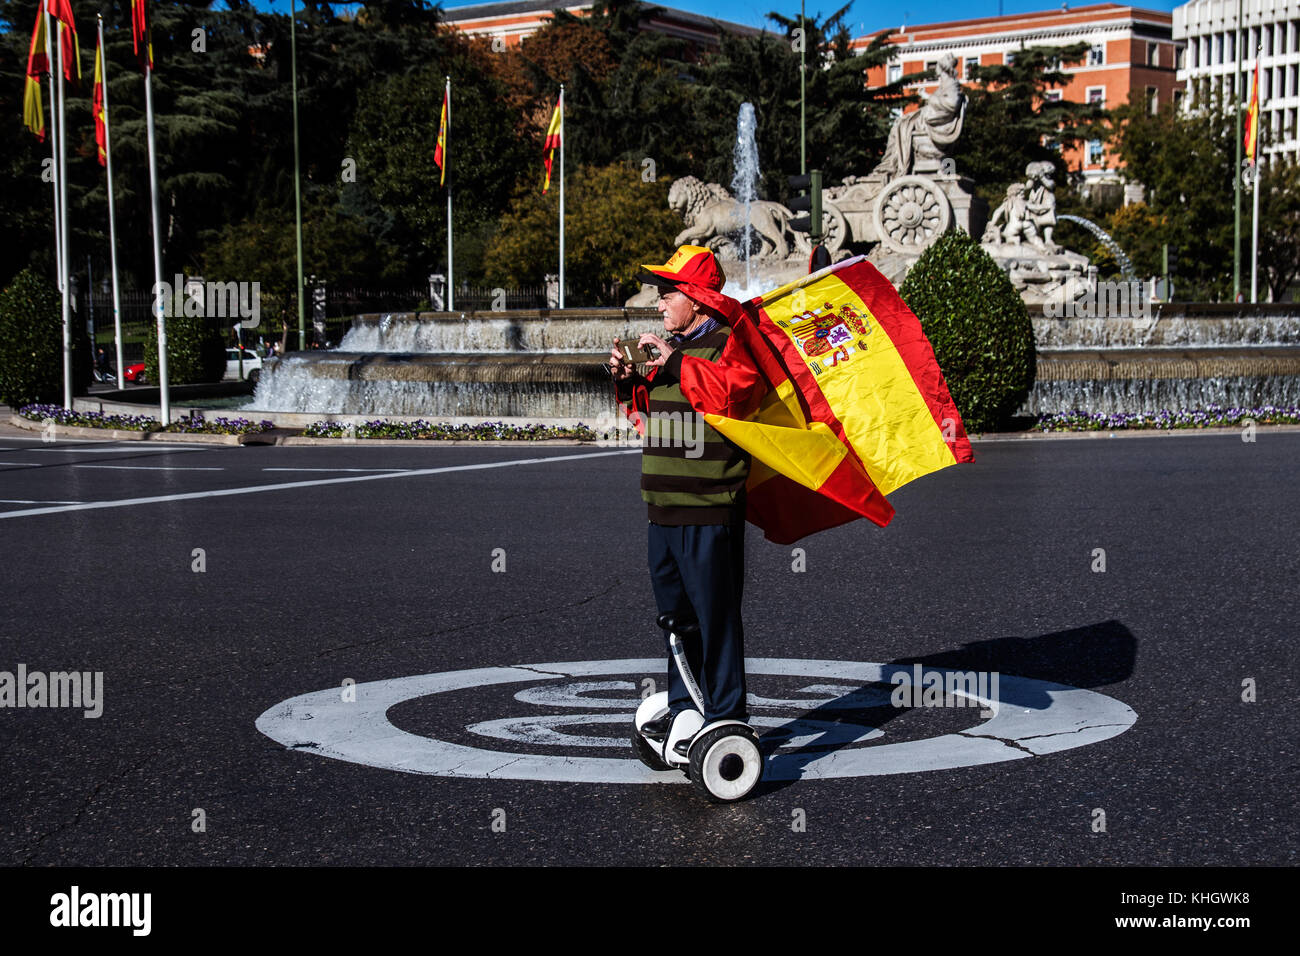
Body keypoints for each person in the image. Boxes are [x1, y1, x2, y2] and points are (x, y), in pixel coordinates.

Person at [607, 245, 767, 735]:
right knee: (676, 620)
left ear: (695, 299)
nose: (658, 304)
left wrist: (673, 363)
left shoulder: (728, 342)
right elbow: (649, 420)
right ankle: (685, 708)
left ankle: (725, 718)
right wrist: (626, 380)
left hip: (708, 508)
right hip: (662, 510)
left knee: (715, 618)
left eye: (666, 294)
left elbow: (734, 394)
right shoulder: (670, 355)